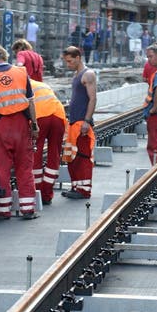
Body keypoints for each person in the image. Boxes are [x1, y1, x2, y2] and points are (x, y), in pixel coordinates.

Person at [0, 44, 39, 220]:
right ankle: (28, 209)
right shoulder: (21, 72)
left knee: (2, 168)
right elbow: (31, 102)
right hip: (21, 124)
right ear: (5, 56)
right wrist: (34, 125)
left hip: (1, 127)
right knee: (25, 167)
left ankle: (4, 209)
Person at [61, 45, 97, 200]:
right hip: (74, 122)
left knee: (82, 157)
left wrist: (87, 121)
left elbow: (93, 98)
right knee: (73, 157)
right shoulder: (77, 75)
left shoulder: (87, 75)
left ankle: (84, 190)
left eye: (70, 61)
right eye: (66, 62)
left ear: (78, 58)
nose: (68, 64)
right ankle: (76, 186)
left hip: (82, 123)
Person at [30, 79, 67, 205]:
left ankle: (37, 190)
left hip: (40, 117)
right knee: (54, 154)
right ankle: (47, 193)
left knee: (36, 152)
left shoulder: (19, 85)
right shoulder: (41, 84)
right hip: (58, 115)